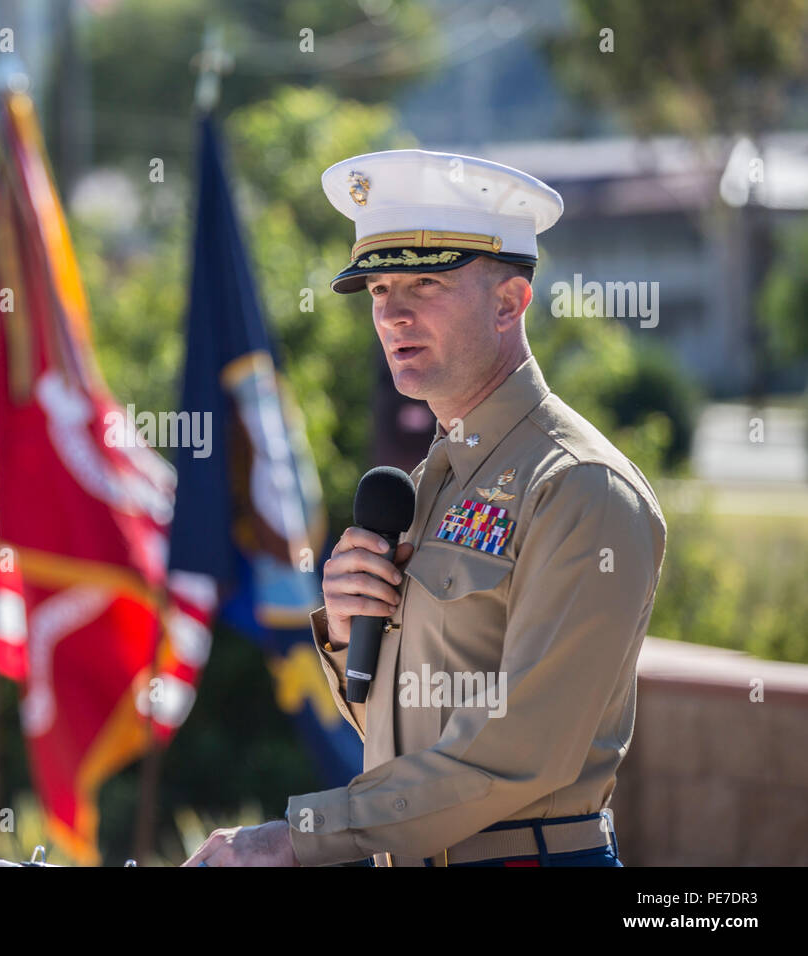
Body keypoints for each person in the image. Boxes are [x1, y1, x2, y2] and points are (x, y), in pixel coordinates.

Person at [183, 148, 666, 867]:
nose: (393, 313)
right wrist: (350, 636)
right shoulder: (430, 483)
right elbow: (408, 732)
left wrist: (293, 841)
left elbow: (520, 752)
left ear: (509, 302)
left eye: (425, 283)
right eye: (378, 289)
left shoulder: (580, 486)